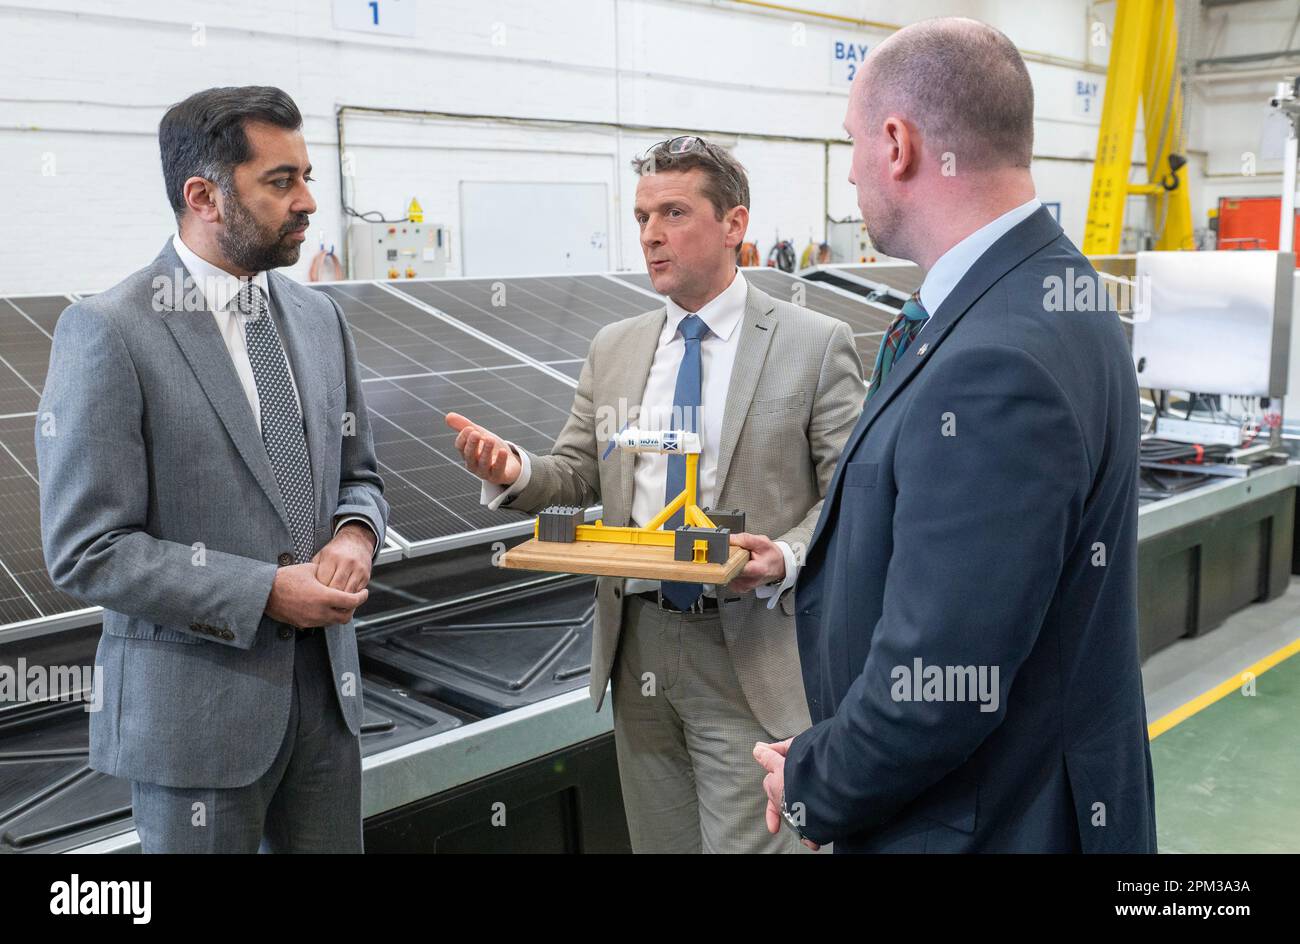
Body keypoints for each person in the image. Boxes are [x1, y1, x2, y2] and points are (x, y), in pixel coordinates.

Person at [754, 18, 1157, 853]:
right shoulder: (1052, 294)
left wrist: (814, 780)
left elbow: (937, 687)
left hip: (983, 823)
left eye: (853, 143)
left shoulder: (994, 360)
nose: (855, 170)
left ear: (898, 144)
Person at [447, 137, 863, 852]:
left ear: (734, 224)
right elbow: (578, 473)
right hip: (638, 643)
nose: (650, 234)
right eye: (641, 216)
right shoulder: (616, 346)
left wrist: (786, 556)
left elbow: (851, 496)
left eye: (673, 212)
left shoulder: (813, 343)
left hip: (753, 643)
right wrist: (512, 470)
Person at [36, 86, 388, 853]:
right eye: (280, 182)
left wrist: (357, 536)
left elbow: (359, 475)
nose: (307, 204)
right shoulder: (109, 332)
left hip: (329, 708)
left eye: (306, 177)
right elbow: (87, 549)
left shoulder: (318, 318)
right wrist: (265, 592)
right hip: (196, 726)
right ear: (203, 196)